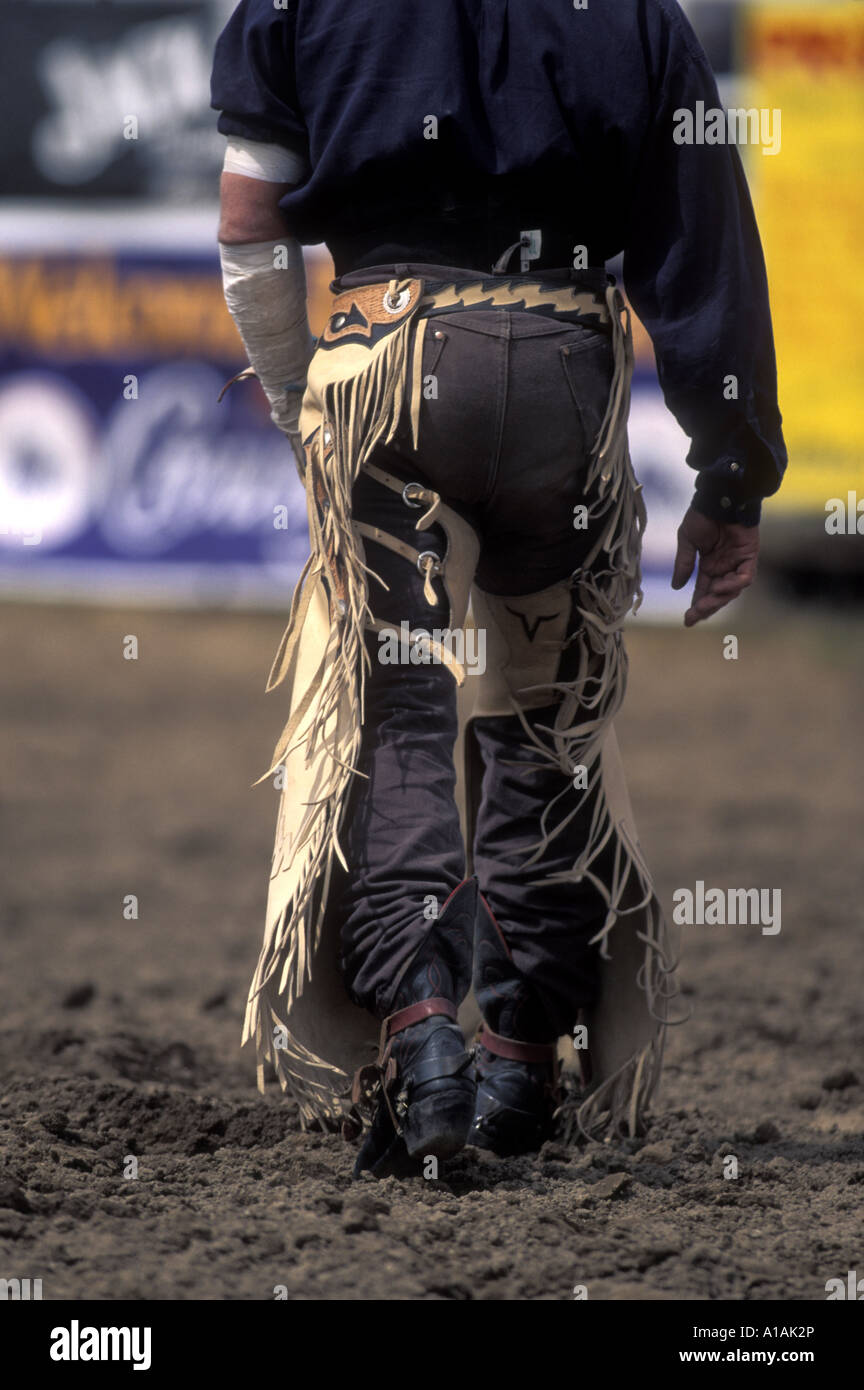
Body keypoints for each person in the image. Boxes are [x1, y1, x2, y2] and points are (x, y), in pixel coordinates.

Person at [211, 0, 786, 1177]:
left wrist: (297, 402)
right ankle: (523, 1058)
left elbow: (247, 220)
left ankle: (424, 1043)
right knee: (545, 721)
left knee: (399, 716)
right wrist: (733, 470)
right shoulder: (635, 12)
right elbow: (698, 236)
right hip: (564, 374)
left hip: (387, 365)